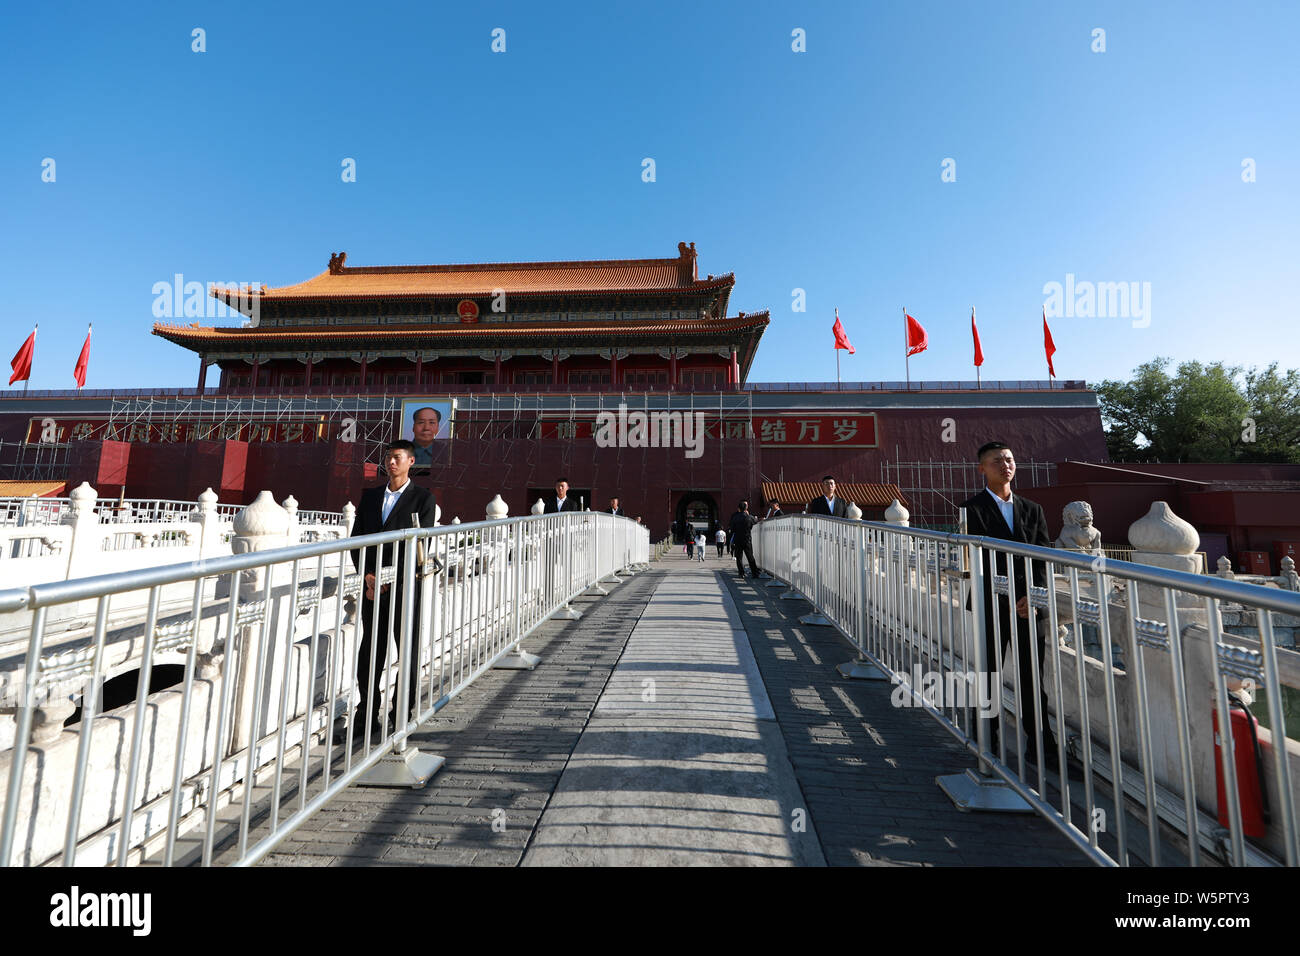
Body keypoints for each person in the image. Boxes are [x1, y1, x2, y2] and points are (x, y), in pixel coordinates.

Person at [959, 440, 1060, 771]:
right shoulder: (971, 510)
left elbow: (1044, 557)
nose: (1005, 465)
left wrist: (1034, 594)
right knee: (989, 673)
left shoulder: (1032, 509)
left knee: (1033, 677)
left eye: (1009, 459)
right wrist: (1005, 594)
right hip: (992, 603)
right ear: (982, 469)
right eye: (997, 461)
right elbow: (976, 559)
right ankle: (987, 740)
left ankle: (1042, 746)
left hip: (1028, 605)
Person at [337, 439, 439, 745]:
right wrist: (368, 576)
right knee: (371, 650)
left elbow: (420, 547)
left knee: (405, 650)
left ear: (410, 462)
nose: (391, 463)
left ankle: (400, 715)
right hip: (372, 589)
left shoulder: (423, 498)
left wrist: (388, 576)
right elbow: (357, 541)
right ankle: (365, 714)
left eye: (397, 458)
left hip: (406, 588)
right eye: (388, 458)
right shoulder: (370, 497)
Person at [729, 500, 761, 579]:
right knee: (750, 557)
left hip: (738, 539)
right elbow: (755, 521)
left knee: (739, 557)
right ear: (746, 508)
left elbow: (732, 529)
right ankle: (755, 573)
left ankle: (741, 573)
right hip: (747, 539)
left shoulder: (735, 517)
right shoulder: (749, 517)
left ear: (739, 508)